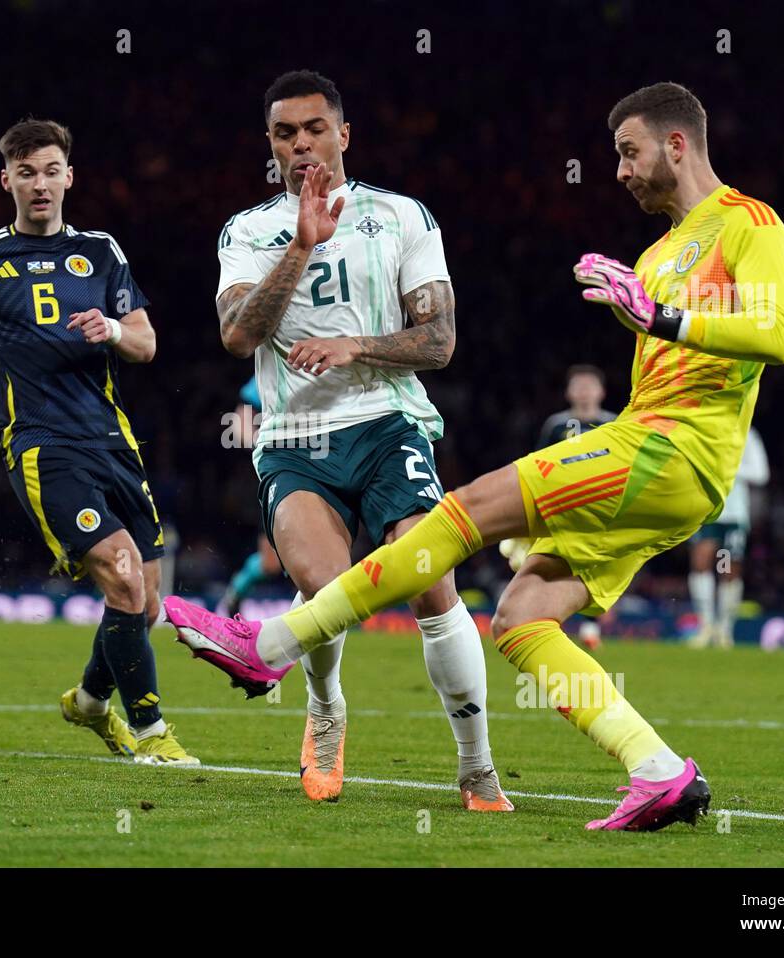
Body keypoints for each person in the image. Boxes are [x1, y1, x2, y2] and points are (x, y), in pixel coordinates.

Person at [168, 81, 784, 831]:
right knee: (523, 617)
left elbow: (777, 335)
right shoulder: (661, 251)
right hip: (657, 455)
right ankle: (658, 771)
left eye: (628, 154)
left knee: (460, 514)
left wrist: (660, 314)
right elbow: (236, 331)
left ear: (676, 144)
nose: (620, 172)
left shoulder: (748, 222)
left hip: (670, 447)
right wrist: (649, 310)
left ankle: (268, 643)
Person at [211, 70, 509, 810]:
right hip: (293, 436)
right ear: (271, 145)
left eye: (315, 128)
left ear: (343, 134)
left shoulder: (402, 216)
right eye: (285, 133)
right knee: (323, 586)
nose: (301, 143)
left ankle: (476, 765)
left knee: (432, 583)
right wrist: (303, 246)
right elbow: (238, 333)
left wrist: (357, 346)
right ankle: (326, 710)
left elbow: (438, 341)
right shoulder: (249, 231)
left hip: (387, 421)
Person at [0, 118, 197, 765]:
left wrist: (113, 331)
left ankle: (91, 703)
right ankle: (152, 735)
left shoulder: (100, 251)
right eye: (27, 172)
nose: (40, 184)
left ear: (71, 176)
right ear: (5, 179)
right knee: (123, 579)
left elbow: (147, 342)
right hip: (42, 447)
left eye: (51, 170)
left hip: (114, 443)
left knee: (144, 603)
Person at [530, 364, 618, 649]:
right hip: (561, 506)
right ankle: (549, 622)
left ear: (601, 391)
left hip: (598, 507)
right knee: (555, 562)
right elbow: (538, 462)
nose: (583, 390)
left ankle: (591, 626)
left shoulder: (614, 425)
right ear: (568, 392)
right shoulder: (555, 425)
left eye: (589, 385)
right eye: (578, 385)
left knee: (592, 565)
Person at [687, 427, 769, 648]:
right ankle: (705, 626)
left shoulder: (747, 434)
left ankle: (724, 629)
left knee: (729, 570)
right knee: (700, 563)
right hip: (706, 508)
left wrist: (727, 469)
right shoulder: (702, 427)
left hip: (734, 514)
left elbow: (761, 473)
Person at [215, 376, 285, 619]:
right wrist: (262, 446)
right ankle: (235, 593)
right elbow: (239, 424)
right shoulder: (267, 374)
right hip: (278, 477)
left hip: (320, 473)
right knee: (271, 564)